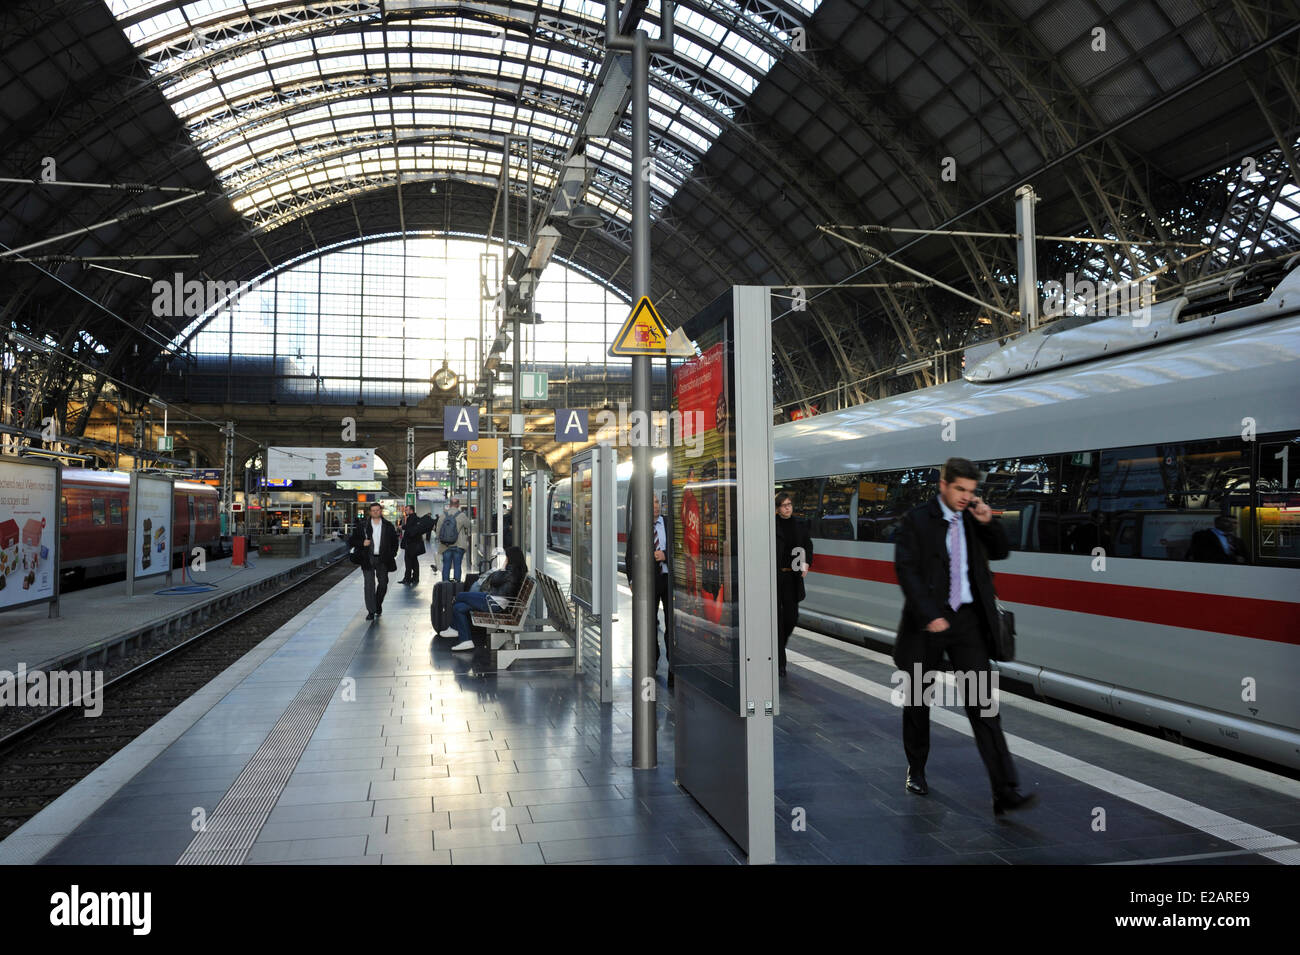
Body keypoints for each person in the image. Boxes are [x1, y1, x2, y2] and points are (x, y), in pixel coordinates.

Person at [893, 457, 1036, 815]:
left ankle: (1005, 790)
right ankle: (917, 769)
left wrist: (989, 521)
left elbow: (1001, 551)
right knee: (917, 702)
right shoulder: (916, 520)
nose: (965, 497)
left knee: (984, 708)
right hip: (927, 626)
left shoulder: (974, 517)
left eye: (971, 491)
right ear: (943, 484)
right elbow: (906, 571)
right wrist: (930, 614)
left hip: (968, 625)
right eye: (960, 489)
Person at [449, 546, 529, 670]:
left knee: (460, 596)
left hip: (493, 603)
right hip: (492, 600)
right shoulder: (515, 571)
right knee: (459, 607)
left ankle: (455, 628)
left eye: (507, 557)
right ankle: (465, 640)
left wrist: (502, 567)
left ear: (511, 558)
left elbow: (494, 580)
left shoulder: (512, 571)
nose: (505, 559)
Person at [627, 493, 674, 684]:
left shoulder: (670, 523)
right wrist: (631, 580)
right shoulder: (639, 526)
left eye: (656, 502)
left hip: (669, 579)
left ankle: (673, 668)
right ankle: (652, 663)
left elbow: (681, 547)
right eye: (651, 502)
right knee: (650, 624)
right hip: (648, 581)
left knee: (672, 625)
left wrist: (666, 556)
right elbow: (631, 554)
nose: (655, 506)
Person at [774, 491, 813, 677]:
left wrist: (806, 564)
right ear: (777, 508)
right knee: (777, 620)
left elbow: (808, 546)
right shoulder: (771, 525)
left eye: (789, 504)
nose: (787, 508)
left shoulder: (800, 525)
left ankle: (777, 648)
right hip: (775, 578)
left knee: (791, 618)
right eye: (783, 505)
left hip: (793, 578)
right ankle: (780, 662)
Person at [348, 501, 398, 620]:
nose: (376, 512)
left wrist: (392, 554)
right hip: (367, 559)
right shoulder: (363, 526)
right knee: (369, 585)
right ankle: (371, 611)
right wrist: (362, 543)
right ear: (370, 512)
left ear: (381, 511)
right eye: (373, 510)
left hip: (383, 559)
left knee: (383, 584)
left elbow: (395, 542)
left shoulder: (388, 525)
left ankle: (377, 604)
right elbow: (352, 541)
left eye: (378, 510)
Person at [438, 498, 472, 581]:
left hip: (445, 546)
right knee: (457, 565)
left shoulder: (443, 515)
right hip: (458, 545)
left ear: (449, 505)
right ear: (458, 504)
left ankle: (445, 585)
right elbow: (468, 525)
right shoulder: (462, 515)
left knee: (446, 566)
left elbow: (438, 530)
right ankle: (457, 585)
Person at [398, 505, 426, 585]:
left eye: (406, 510)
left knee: (408, 561)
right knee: (414, 561)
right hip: (415, 543)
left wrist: (402, 527)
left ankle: (407, 578)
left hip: (410, 544)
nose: (405, 511)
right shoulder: (416, 518)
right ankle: (415, 578)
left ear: (411, 510)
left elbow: (409, 529)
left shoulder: (411, 518)